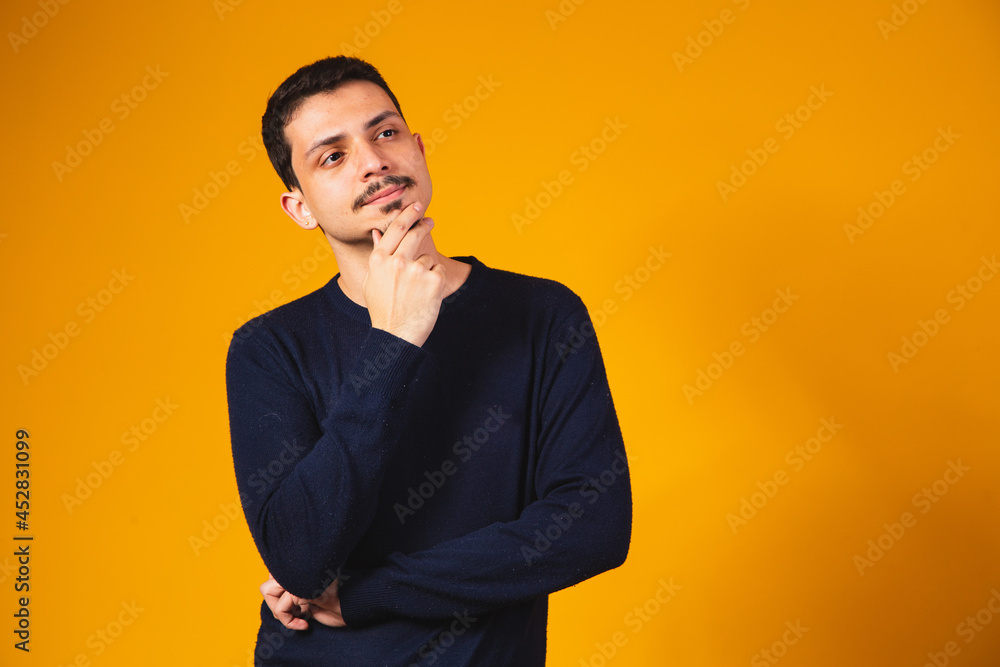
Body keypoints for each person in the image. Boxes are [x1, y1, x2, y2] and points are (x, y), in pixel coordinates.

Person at [225, 55, 632, 666]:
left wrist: (366, 593)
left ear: (417, 149)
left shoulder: (542, 314)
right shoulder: (268, 348)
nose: (373, 161)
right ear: (300, 207)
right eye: (332, 156)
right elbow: (300, 556)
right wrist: (394, 343)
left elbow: (592, 526)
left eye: (384, 133)